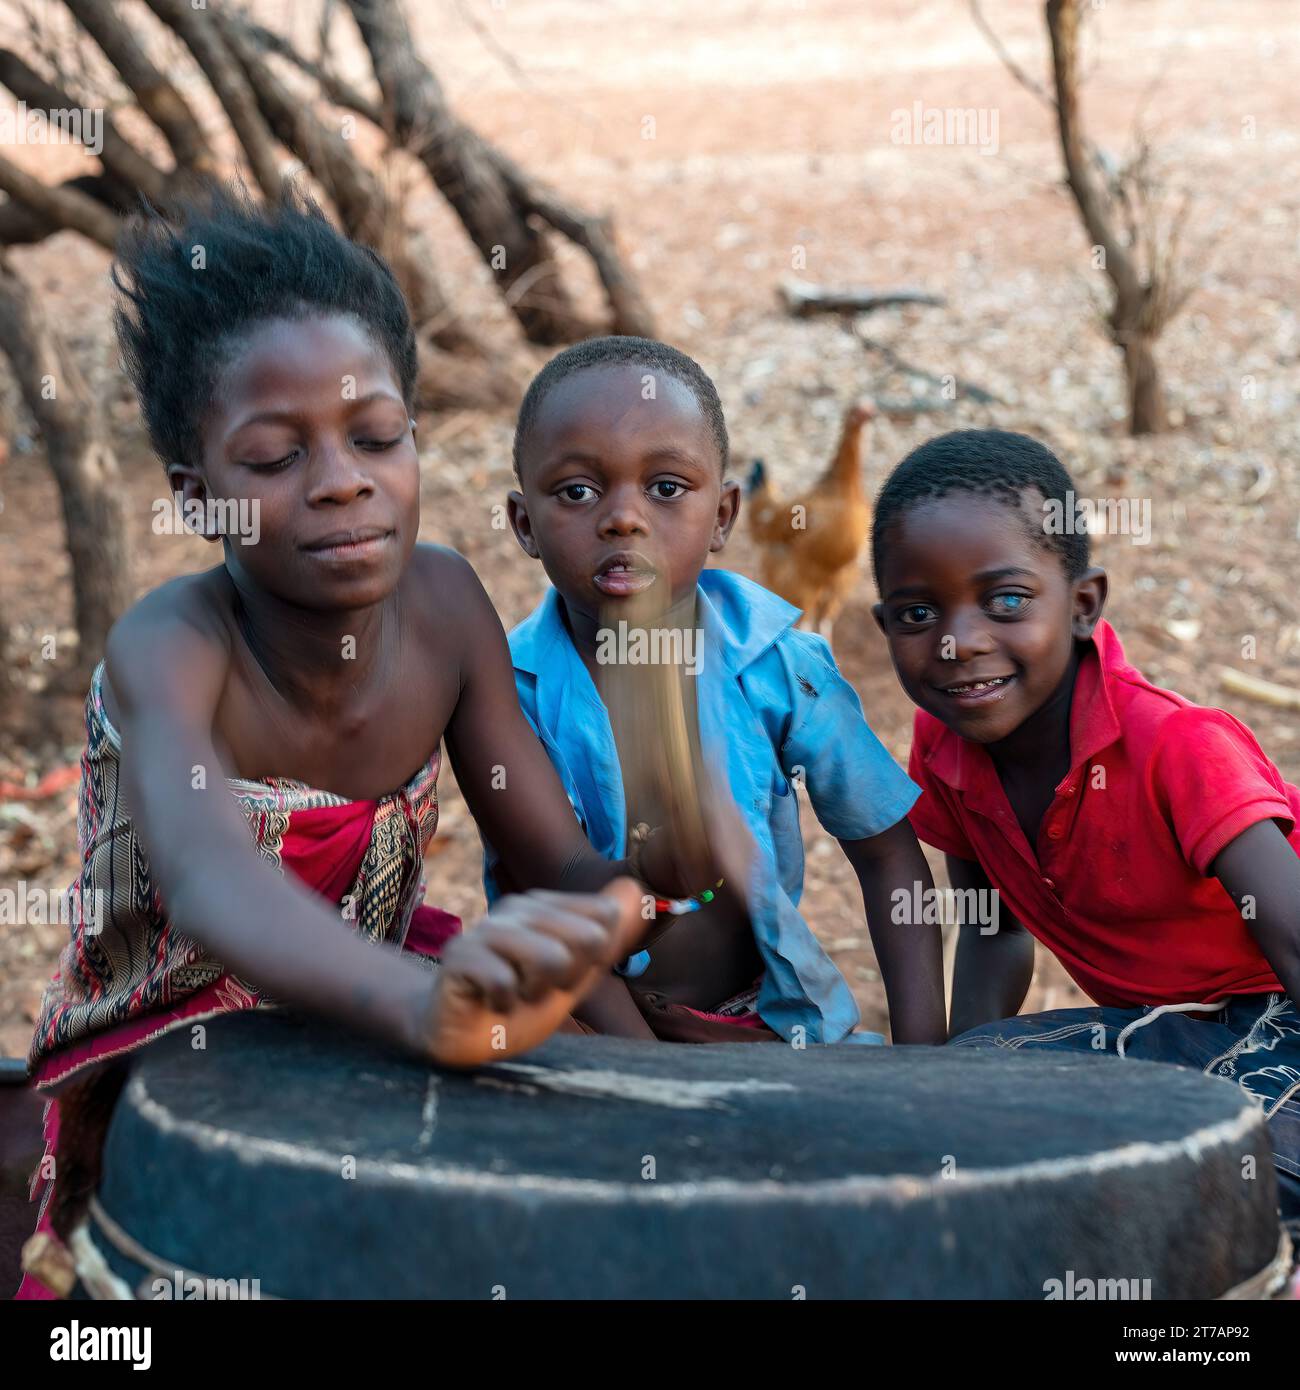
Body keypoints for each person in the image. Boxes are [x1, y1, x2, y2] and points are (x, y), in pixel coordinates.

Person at [15, 188, 701, 1298]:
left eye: (375, 437)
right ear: (199, 499)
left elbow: (550, 852)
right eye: (275, 458)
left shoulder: (443, 607)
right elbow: (206, 883)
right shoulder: (173, 650)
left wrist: (608, 910)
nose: (342, 480)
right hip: (177, 1045)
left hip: (387, 1006)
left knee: (626, 1118)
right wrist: (422, 1007)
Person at [871, 428, 1300, 1235]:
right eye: (919, 613)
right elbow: (993, 934)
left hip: (1284, 1019)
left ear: (1083, 604)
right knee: (972, 1112)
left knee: (1199, 1183)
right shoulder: (944, 747)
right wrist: (952, 1107)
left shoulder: (1176, 747)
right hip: (1174, 1042)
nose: (959, 643)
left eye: (1005, 601)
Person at [486, 336, 947, 1046]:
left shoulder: (779, 667)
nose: (624, 518)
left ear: (725, 515)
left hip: (768, 1024)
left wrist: (927, 1063)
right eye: (577, 492)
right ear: (525, 525)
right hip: (582, 1026)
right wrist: (649, 1072)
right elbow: (537, 902)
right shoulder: (505, 689)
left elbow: (886, 854)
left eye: (666, 488)